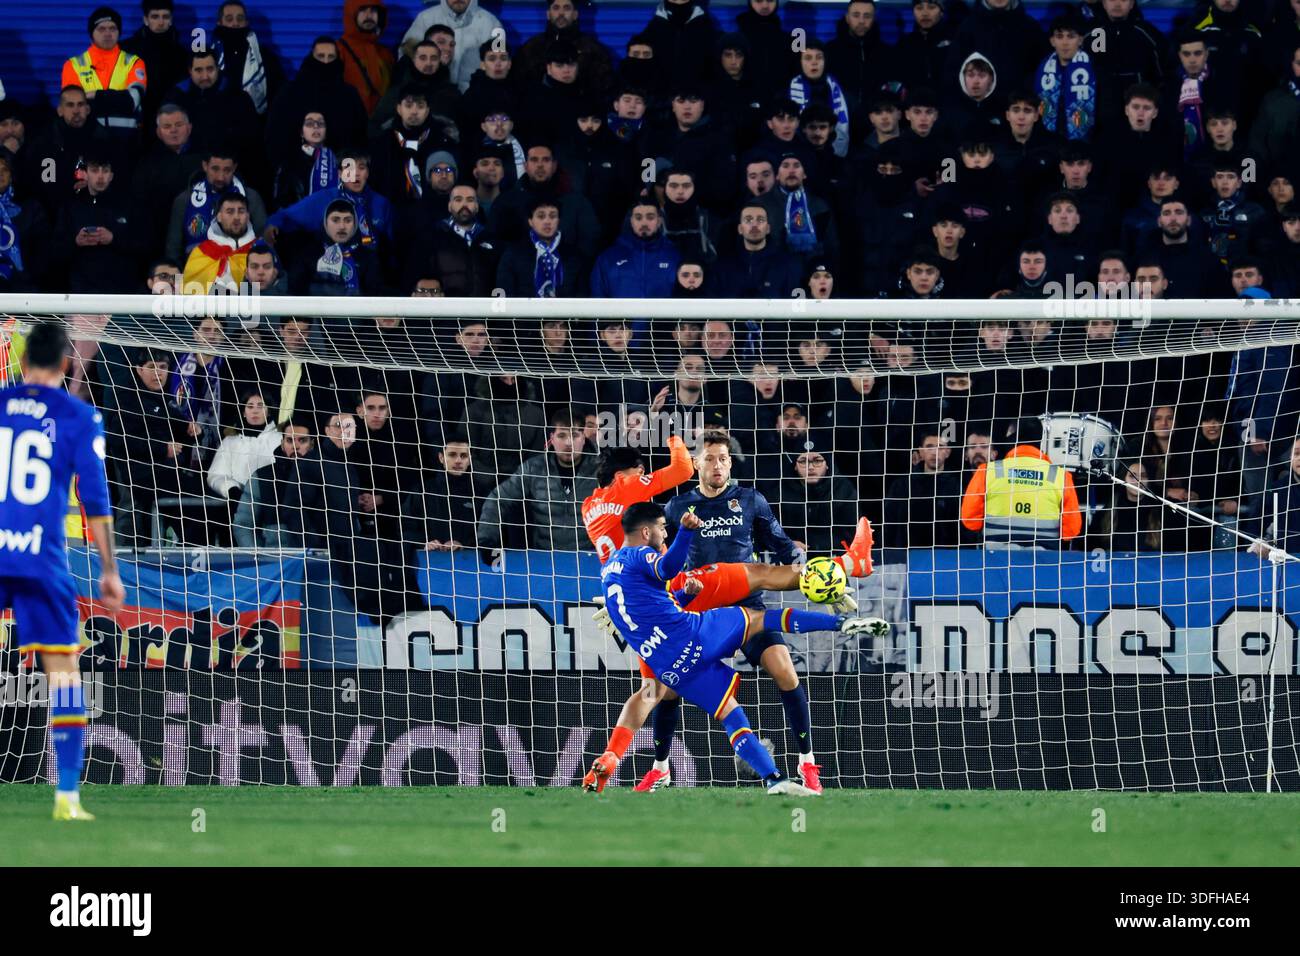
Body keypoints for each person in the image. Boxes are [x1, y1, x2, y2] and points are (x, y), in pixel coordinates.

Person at [591, 503, 882, 796]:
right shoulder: (648, 526)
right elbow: (667, 563)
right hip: (692, 623)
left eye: (721, 457)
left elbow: (649, 595)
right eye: (662, 528)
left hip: (668, 655)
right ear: (645, 530)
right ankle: (842, 607)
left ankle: (772, 779)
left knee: (673, 697)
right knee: (761, 606)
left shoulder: (607, 572)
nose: (665, 532)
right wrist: (687, 533)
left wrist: (679, 595)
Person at [0, 321, 125, 821]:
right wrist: (109, 569)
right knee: (65, 675)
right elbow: (95, 502)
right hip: (41, 559)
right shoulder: (78, 416)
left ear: (22, 359)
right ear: (68, 363)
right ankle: (67, 798)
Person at [960, 417, 1083, 548]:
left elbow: (970, 521)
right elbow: (1071, 530)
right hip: (1044, 558)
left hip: (996, 558)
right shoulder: (1061, 476)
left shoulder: (987, 471)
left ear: (1012, 437)